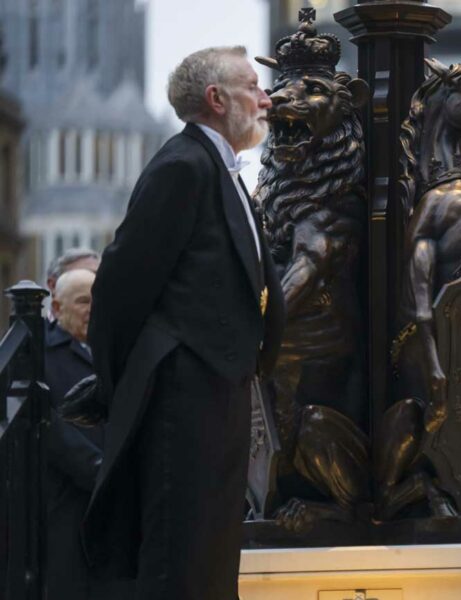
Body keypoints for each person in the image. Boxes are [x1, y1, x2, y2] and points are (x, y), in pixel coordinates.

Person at [72, 46, 284, 600]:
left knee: (212, 558)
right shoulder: (182, 166)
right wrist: (123, 384)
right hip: (182, 395)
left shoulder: (225, 171)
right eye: (251, 86)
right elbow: (120, 284)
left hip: (222, 391)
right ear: (216, 99)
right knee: (179, 560)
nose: (266, 98)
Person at [44, 269, 103, 600]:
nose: (91, 308)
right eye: (83, 301)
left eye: (97, 300)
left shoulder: (112, 349)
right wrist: (95, 465)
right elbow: (47, 423)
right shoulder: (41, 352)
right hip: (65, 503)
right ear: (56, 308)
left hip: (111, 502)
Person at [44, 248, 100, 321]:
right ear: (53, 285)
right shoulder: (35, 331)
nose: (92, 282)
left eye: (98, 276)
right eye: (82, 276)